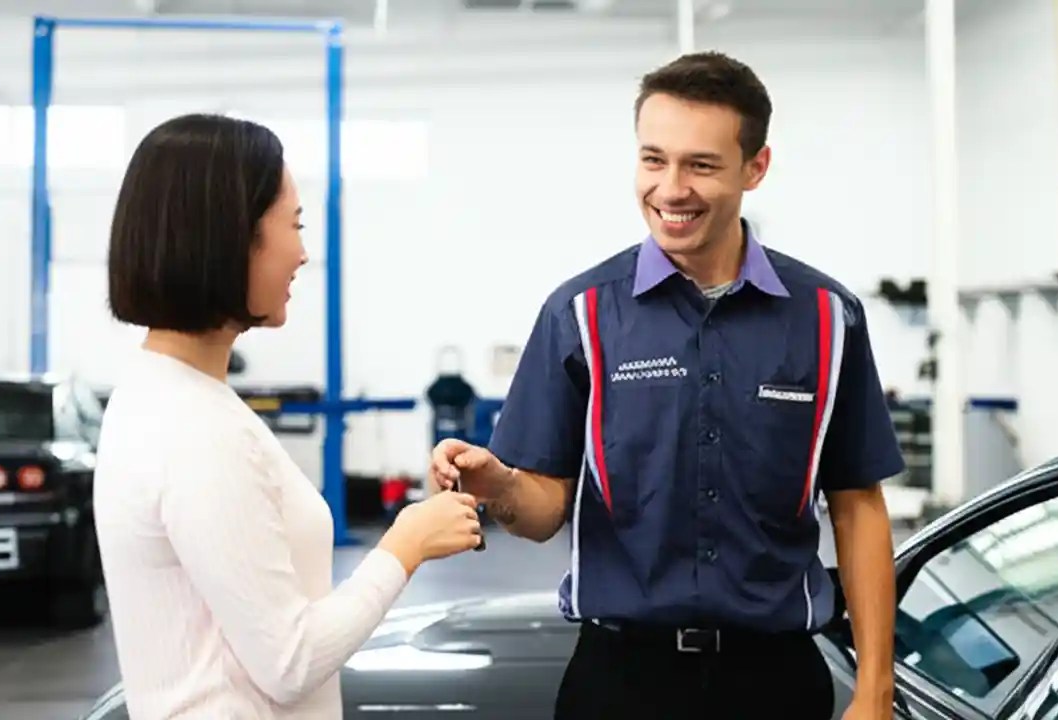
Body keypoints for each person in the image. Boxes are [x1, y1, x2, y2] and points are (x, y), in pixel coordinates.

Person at [429, 51, 904, 720]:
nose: (670, 188)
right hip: (620, 682)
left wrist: (875, 691)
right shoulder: (582, 315)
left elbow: (859, 506)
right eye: (654, 160)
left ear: (755, 167)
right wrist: (500, 486)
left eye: (701, 165)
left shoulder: (827, 318)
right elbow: (542, 512)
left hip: (777, 683)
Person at [93, 113, 483, 719]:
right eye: (294, 226)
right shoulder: (192, 426)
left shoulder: (166, 397)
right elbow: (290, 661)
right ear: (230, 236)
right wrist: (405, 545)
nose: (303, 254)